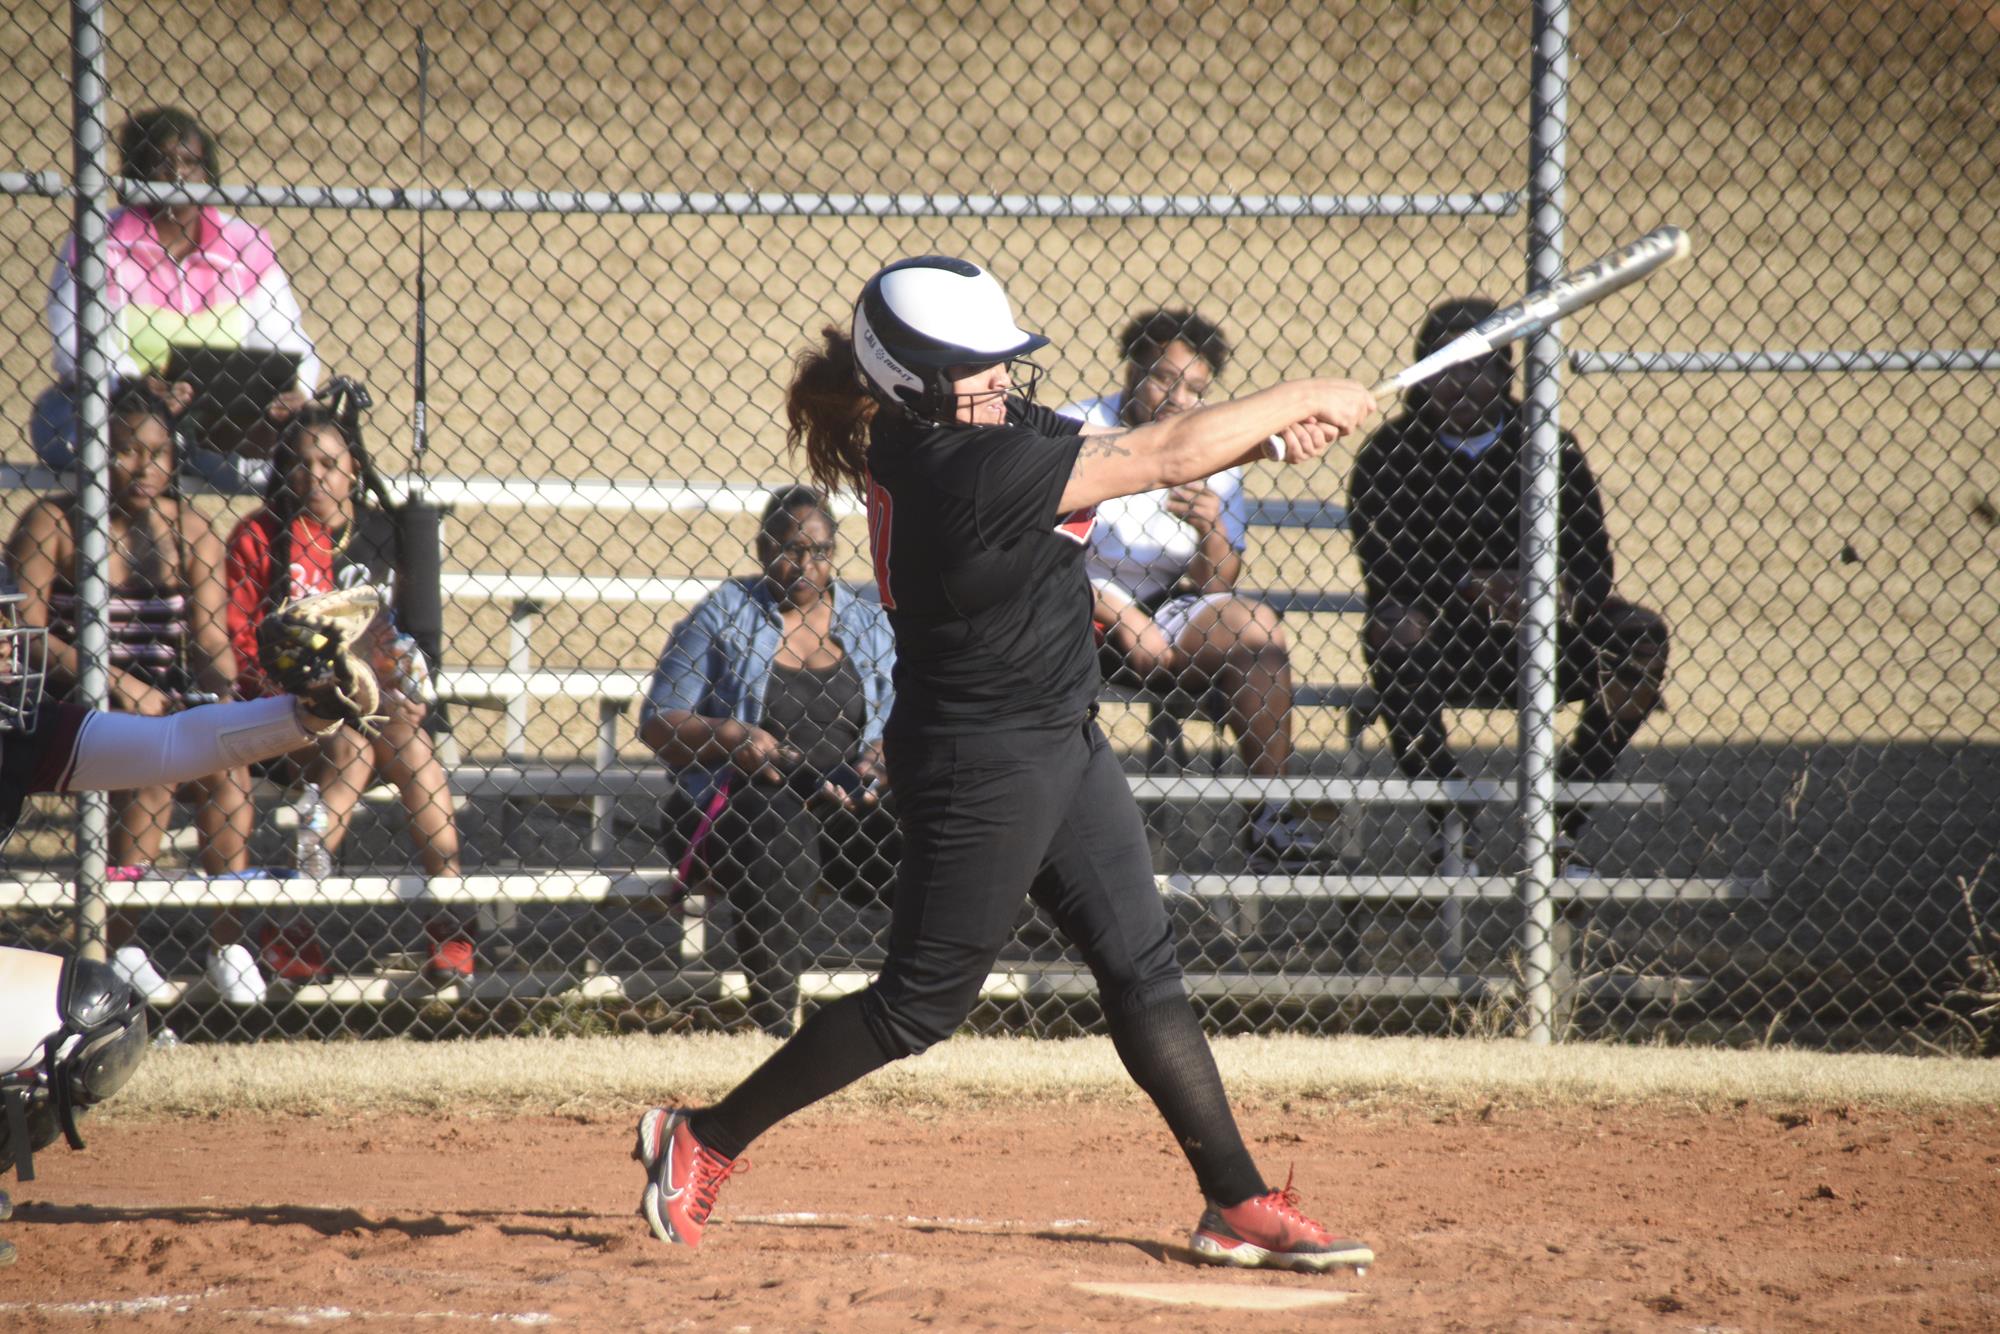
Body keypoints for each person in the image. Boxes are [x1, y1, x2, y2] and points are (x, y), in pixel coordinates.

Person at [630, 255, 1378, 1271]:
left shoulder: (962, 427)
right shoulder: (959, 467)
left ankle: (1236, 1200)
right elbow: (1159, 451)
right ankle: (702, 1138)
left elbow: (1123, 448)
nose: (1000, 380)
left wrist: (1265, 437)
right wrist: (1302, 396)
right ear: (917, 383)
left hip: (1058, 735)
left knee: (1142, 967)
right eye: (975, 368)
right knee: (919, 1002)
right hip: (979, 761)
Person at [0, 570, 380, 1268]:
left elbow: (170, 744)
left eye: (5, 625)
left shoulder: (15, 733)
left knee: (93, 1016)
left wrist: (307, 712)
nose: (8, 645)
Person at [1348, 297, 1671, 875]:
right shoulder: (1389, 453)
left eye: (1477, 366)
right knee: (1393, 628)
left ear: (1505, 372)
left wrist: (1555, 591)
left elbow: (1594, 559)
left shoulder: (1548, 443)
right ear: (1421, 375)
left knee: (1639, 638)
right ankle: (1450, 819)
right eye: (1444, 366)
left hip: (1545, 634)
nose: (1460, 382)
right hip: (1444, 641)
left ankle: (1559, 824)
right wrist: (1465, 585)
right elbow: (1384, 564)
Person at [5, 382, 262, 1001]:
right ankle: (119, 943)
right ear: (96, 453)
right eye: (126, 451)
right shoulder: (53, 523)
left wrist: (222, 692)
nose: (145, 468)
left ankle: (227, 943)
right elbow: (24, 634)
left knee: (227, 767)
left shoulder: (190, 529)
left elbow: (209, 639)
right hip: (69, 708)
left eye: (158, 453)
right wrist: (112, 682)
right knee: (155, 765)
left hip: (162, 700)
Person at [224, 387, 468, 981]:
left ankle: (452, 919)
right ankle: (292, 922)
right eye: (301, 464)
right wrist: (304, 691)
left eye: (330, 463)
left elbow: (412, 637)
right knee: (350, 751)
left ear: (353, 467)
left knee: (414, 748)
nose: (316, 477)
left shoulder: (385, 532)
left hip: (377, 706)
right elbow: (239, 644)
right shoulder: (263, 536)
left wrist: (405, 686)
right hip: (292, 711)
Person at [639, 484, 899, 1038]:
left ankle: (911, 1011)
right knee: (778, 832)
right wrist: (733, 736)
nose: (806, 565)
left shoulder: (869, 621)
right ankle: (777, 1025)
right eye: (790, 550)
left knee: (933, 831)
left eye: (820, 551)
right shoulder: (725, 613)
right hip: (743, 797)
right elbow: (660, 722)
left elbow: (906, 721)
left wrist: (878, 763)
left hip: (843, 799)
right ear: (762, 548)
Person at [1063, 309, 1321, 869]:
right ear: (1131, 370)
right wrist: (1120, 614)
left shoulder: (1213, 442)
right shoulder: (1077, 426)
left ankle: (1270, 817)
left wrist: (1212, 530)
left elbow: (1215, 585)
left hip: (1164, 605)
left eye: (1196, 389)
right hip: (1069, 601)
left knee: (1257, 634)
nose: (1180, 399)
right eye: (1165, 379)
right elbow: (1035, 555)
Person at [33, 107, 320, 494]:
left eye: (189, 162)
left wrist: (297, 389)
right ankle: (162, 454)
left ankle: (185, 450)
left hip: (215, 416)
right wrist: (136, 388)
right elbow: (74, 341)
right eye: (161, 162)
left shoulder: (244, 244)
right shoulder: (100, 241)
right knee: (61, 425)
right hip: (121, 408)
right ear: (136, 171)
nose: (177, 173)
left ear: (208, 172)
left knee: (300, 452)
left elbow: (287, 338)